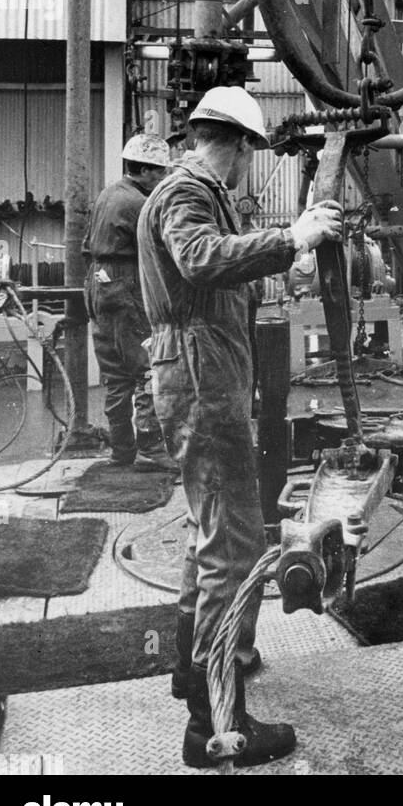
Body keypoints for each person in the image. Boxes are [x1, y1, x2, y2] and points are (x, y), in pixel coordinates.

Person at [136, 86, 343, 769]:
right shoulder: (186, 193)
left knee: (213, 537)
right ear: (235, 143)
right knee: (229, 545)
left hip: (203, 371)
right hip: (200, 377)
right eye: (250, 150)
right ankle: (216, 729)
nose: (250, 163)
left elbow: (225, 271)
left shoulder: (193, 193)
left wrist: (294, 251)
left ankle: (193, 673)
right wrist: (292, 236)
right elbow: (200, 258)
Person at [82, 133, 176, 472]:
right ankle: (151, 448)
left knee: (116, 376)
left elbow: (85, 248)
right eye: (161, 173)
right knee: (148, 368)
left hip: (97, 286)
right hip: (125, 288)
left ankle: (122, 450)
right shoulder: (139, 204)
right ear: (148, 171)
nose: (163, 179)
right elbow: (163, 251)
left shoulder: (106, 195)